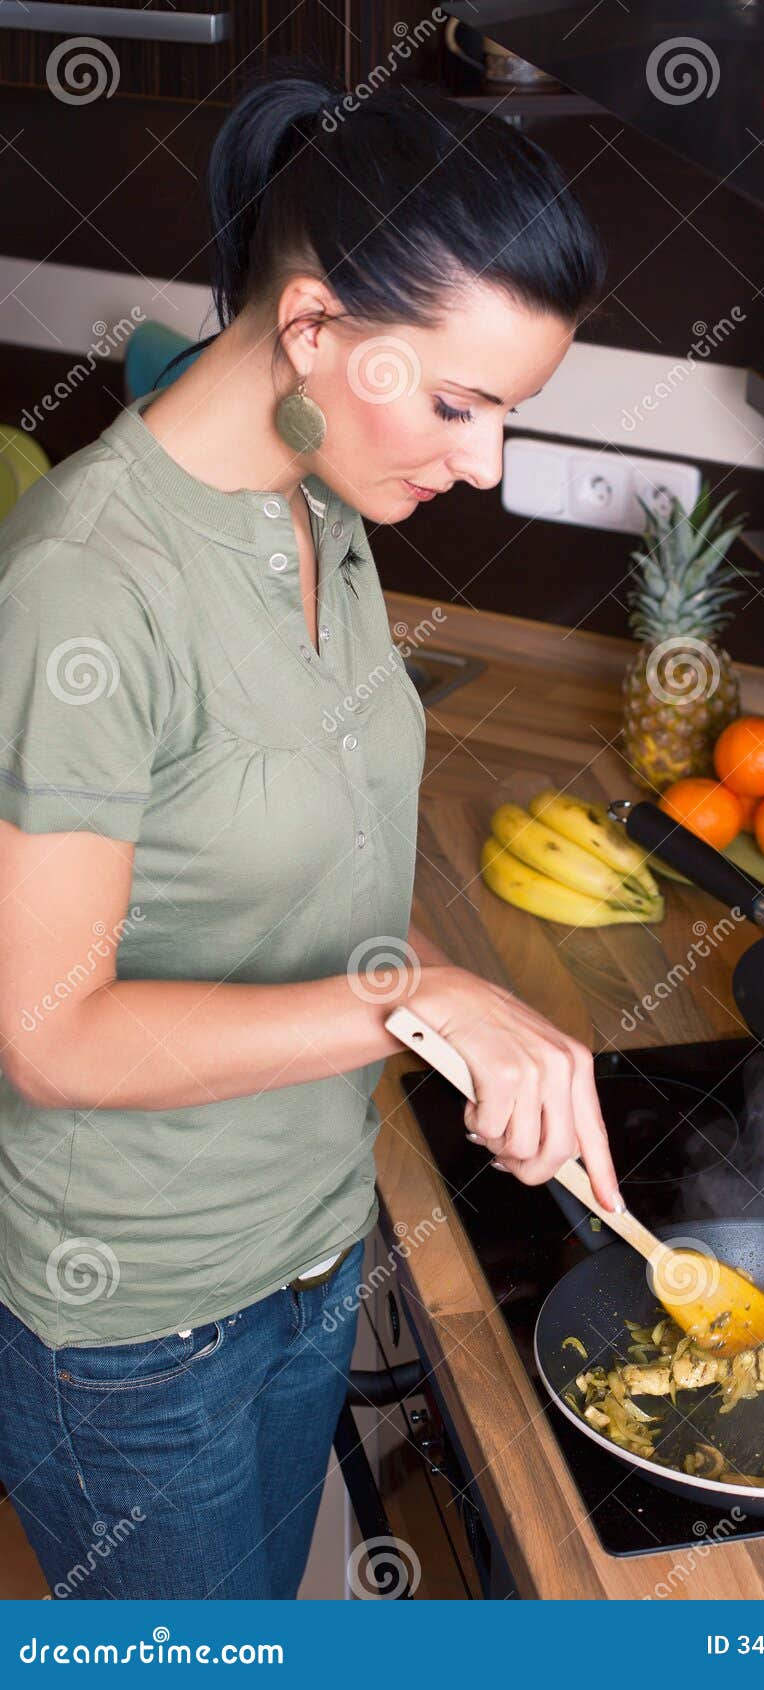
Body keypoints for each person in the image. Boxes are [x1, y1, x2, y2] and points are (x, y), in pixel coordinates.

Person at [0, 65, 621, 1600]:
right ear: (312, 326)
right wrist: (419, 1002)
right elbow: (49, 1035)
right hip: (137, 1328)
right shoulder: (82, 589)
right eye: (460, 403)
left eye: (508, 411)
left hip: (312, 1241)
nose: (484, 461)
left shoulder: (321, 500)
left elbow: (309, 871)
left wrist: (471, 1025)